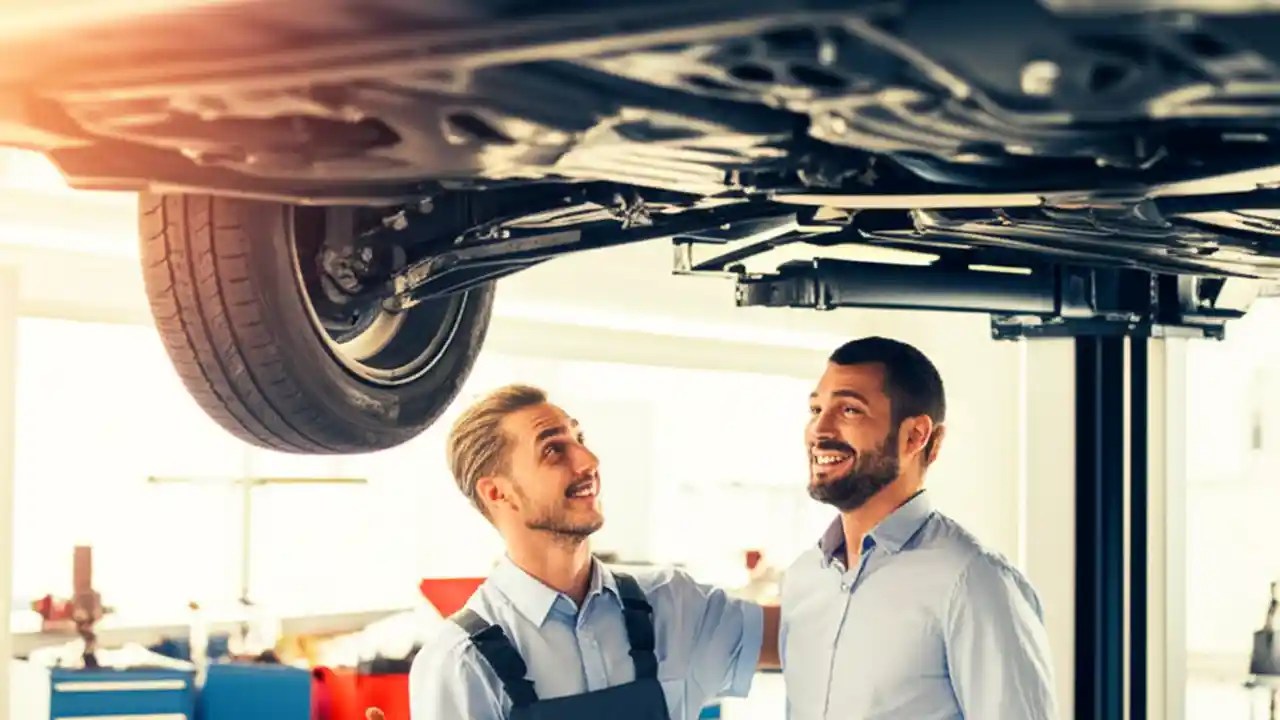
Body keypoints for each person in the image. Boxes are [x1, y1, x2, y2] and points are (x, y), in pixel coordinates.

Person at [409, 384, 780, 720]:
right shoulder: (461, 663)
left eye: (579, 438)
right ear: (498, 493)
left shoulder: (672, 604)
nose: (589, 461)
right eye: (553, 449)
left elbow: (815, 637)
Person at [781, 336, 1056, 719]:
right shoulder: (804, 579)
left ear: (916, 436)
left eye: (849, 410)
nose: (819, 429)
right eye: (816, 408)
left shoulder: (973, 581)